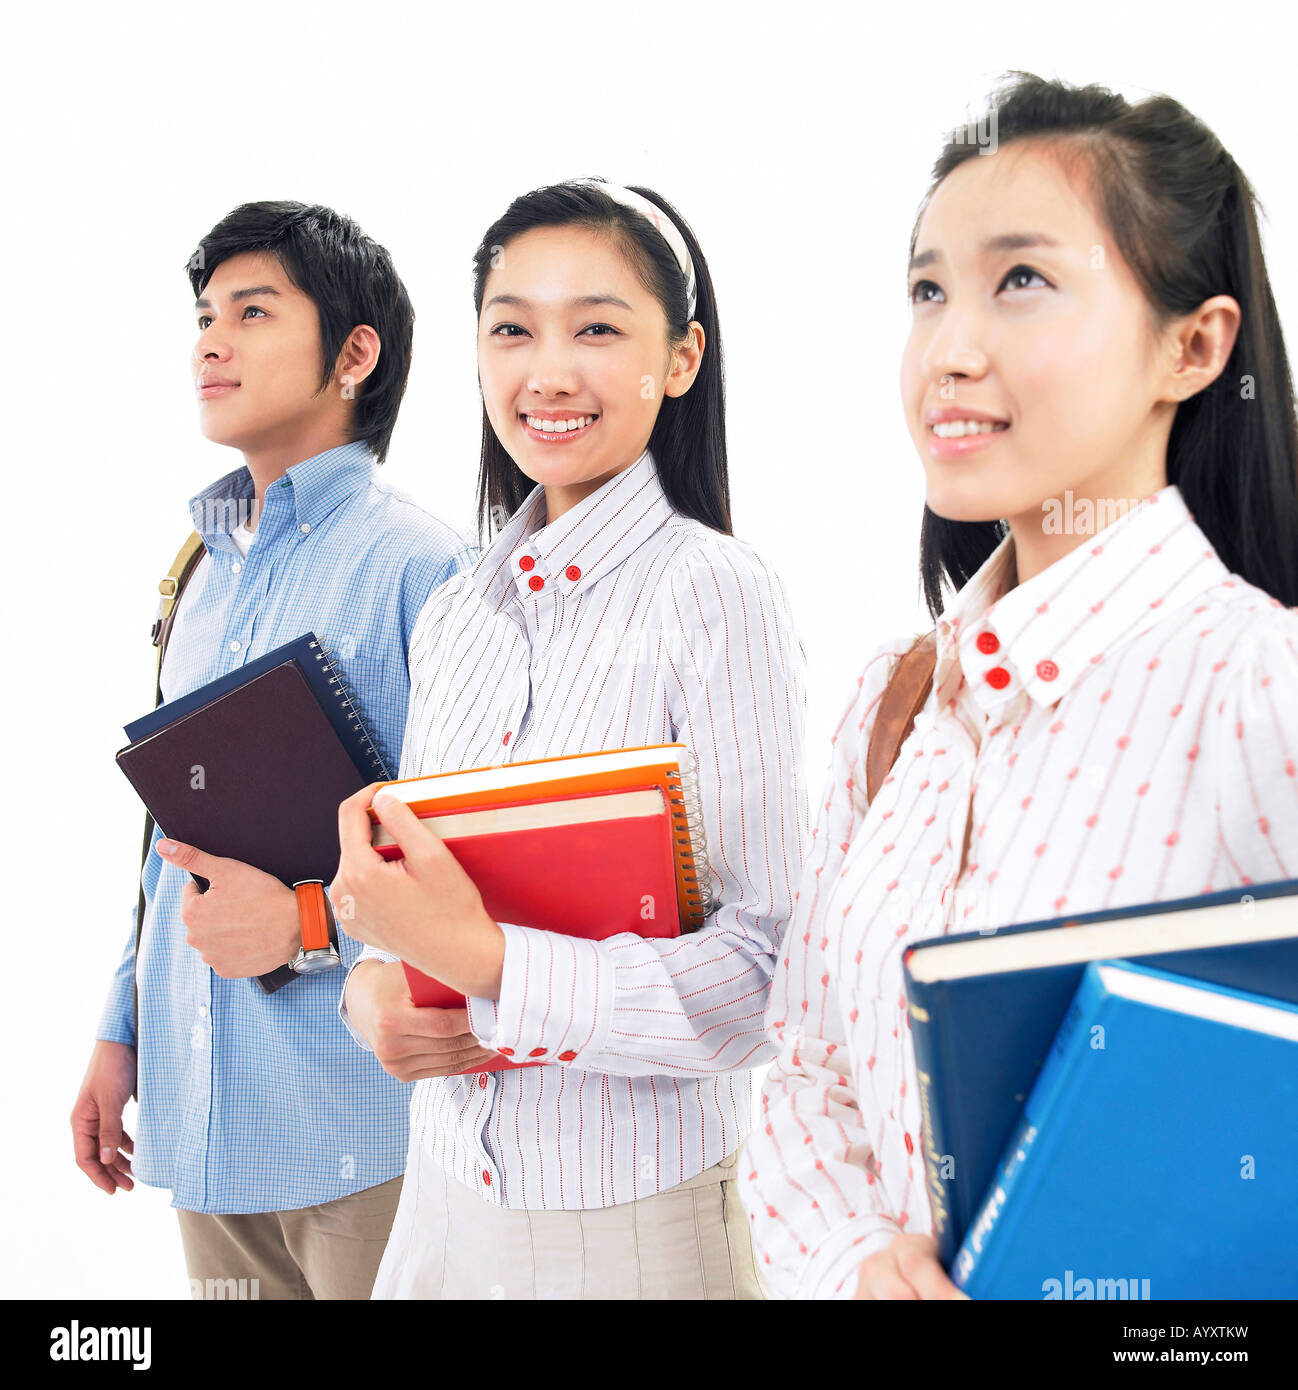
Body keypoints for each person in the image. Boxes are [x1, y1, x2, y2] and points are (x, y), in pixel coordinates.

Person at [739, 72, 1298, 1300]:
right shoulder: (891, 705)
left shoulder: (1254, 686)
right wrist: (852, 1265)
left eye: (1021, 281)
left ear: (1191, 345)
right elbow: (802, 1077)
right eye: (927, 290)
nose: (949, 348)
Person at [334, 178, 808, 1299]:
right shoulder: (458, 609)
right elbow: (417, 886)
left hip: (628, 1232)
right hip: (442, 1198)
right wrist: (372, 995)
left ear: (680, 358)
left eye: (596, 327)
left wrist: (494, 973)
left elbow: (771, 972)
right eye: (511, 329)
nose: (546, 372)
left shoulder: (714, 594)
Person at [71, 201, 475, 1300]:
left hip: (365, 1123)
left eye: (253, 312)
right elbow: (169, 830)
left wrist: (300, 925)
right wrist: (123, 1026)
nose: (210, 340)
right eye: (205, 316)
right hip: (205, 1118)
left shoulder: (428, 571)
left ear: (355, 354)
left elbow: (475, 868)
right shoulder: (196, 570)